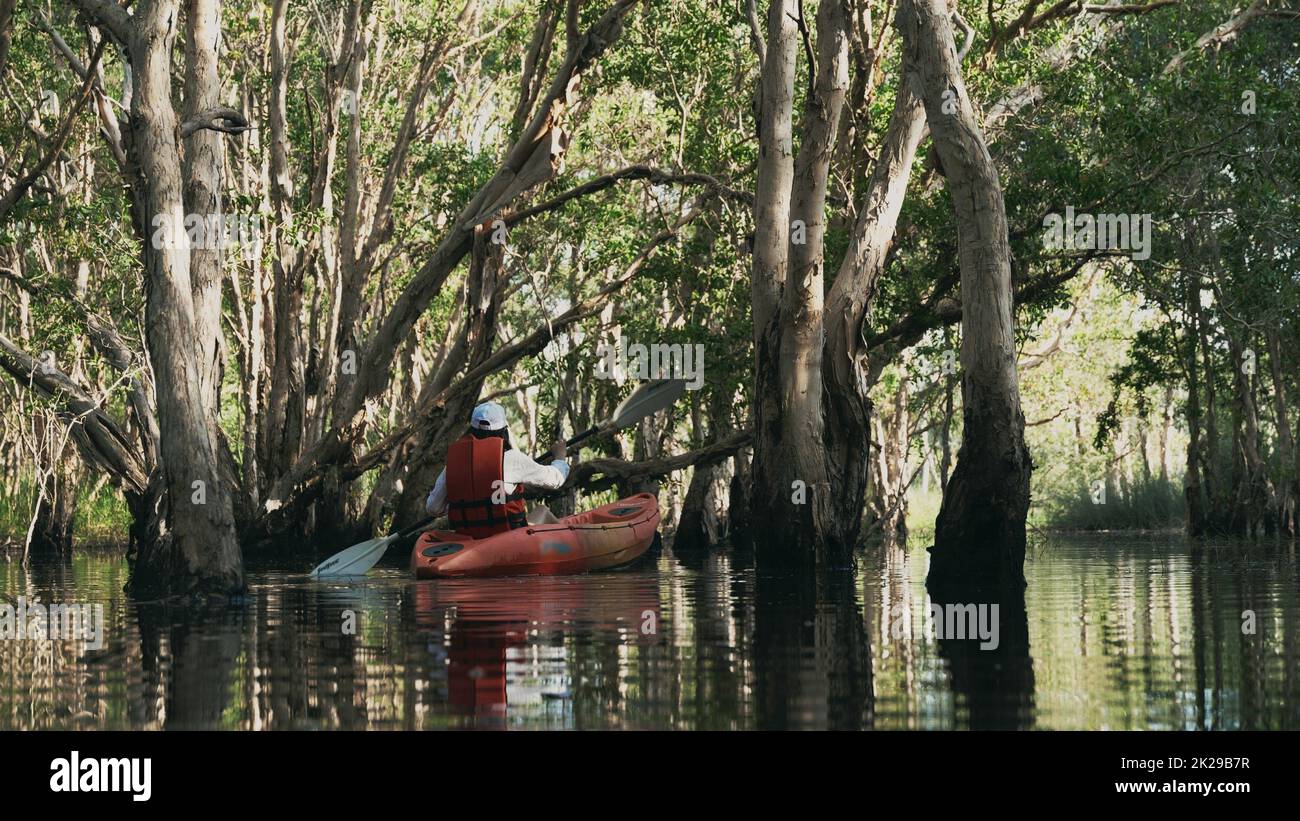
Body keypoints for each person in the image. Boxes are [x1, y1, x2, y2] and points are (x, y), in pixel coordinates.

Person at [425, 401, 569, 537]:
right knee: (542, 511)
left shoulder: (454, 464)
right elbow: (555, 479)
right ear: (503, 431)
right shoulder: (512, 459)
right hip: (507, 538)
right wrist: (560, 458)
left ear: (471, 431)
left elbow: (433, 508)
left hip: (467, 539)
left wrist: (468, 508)